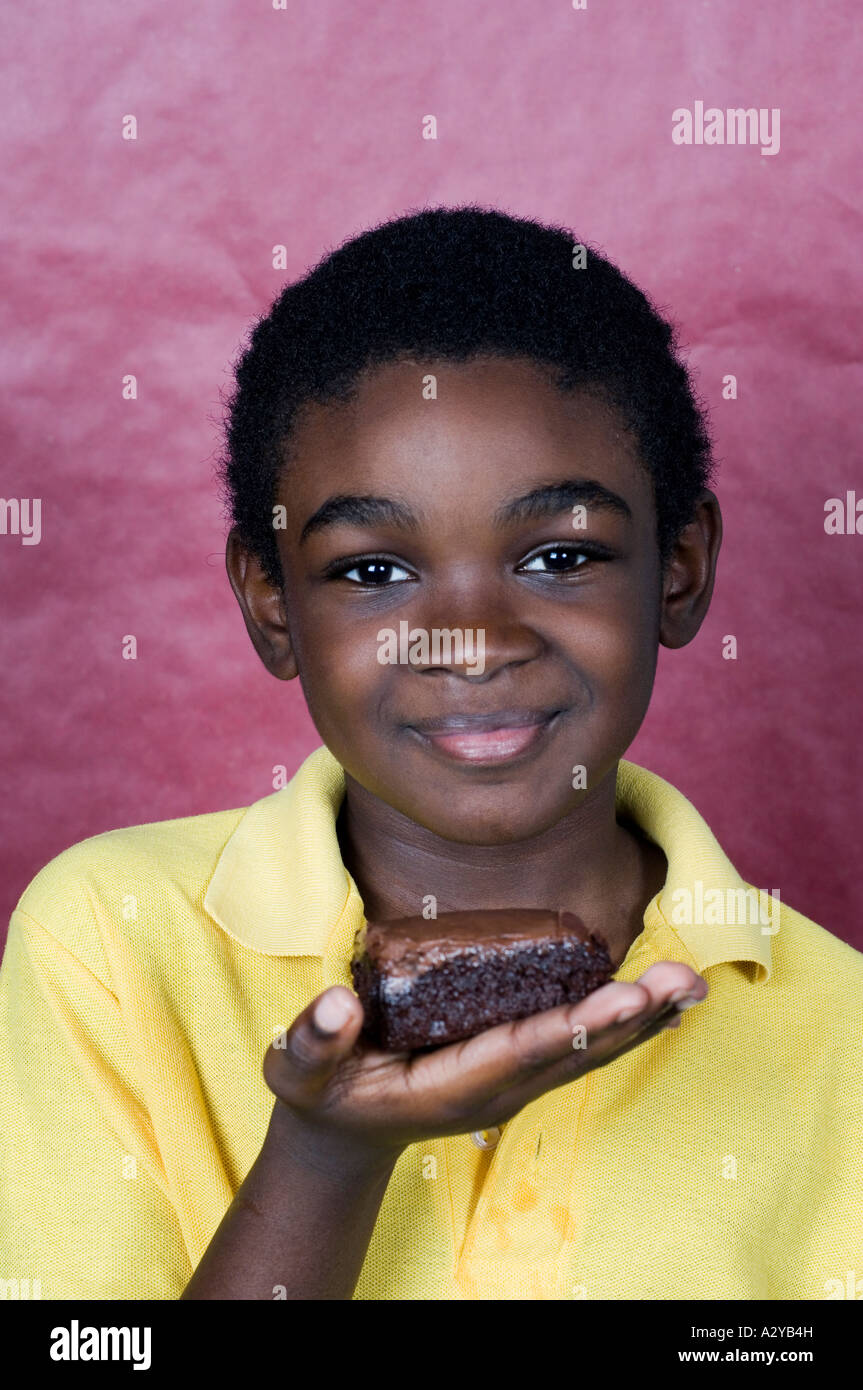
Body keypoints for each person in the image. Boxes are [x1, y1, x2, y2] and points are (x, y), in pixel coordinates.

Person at [1, 206, 861, 1302]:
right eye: (372, 572)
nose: (473, 642)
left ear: (679, 569)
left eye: (558, 555)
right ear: (271, 604)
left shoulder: (841, 1032)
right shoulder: (112, 943)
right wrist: (326, 1157)